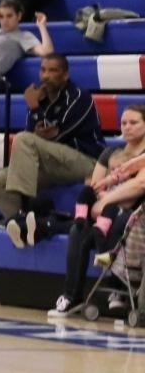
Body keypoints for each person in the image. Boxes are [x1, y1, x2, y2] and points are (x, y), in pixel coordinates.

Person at [0, 54, 103, 246]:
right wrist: (36, 110)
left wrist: (33, 109)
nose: (46, 75)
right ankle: (21, 225)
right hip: (53, 164)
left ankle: (26, 211)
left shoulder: (79, 96)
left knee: (24, 139)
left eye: (53, 70)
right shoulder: (40, 99)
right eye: (43, 70)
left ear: (65, 75)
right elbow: (32, 137)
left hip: (86, 162)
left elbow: (56, 134)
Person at [51, 106, 145, 317]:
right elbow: (95, 189)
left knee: (120, 220)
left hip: (131, 220)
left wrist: (108, 199)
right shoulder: (112, 153)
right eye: (123, 123)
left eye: (134, 122)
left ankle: (118, 286)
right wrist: (99, 201)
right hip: (103, 215)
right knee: (78, 230)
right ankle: (72, 295)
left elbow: (138, 187)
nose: (127, 127)